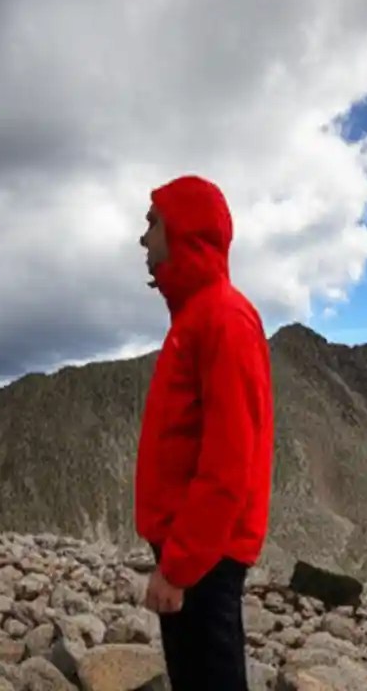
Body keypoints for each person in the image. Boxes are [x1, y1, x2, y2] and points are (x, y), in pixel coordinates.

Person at [135, 174, 274, 690]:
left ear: (185, 231)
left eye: (153, 223)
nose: (143, 238)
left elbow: (228, 462)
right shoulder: (196, 317)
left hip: (205, 557)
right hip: (193, 551)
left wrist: (179, 568)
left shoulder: (223, 319)